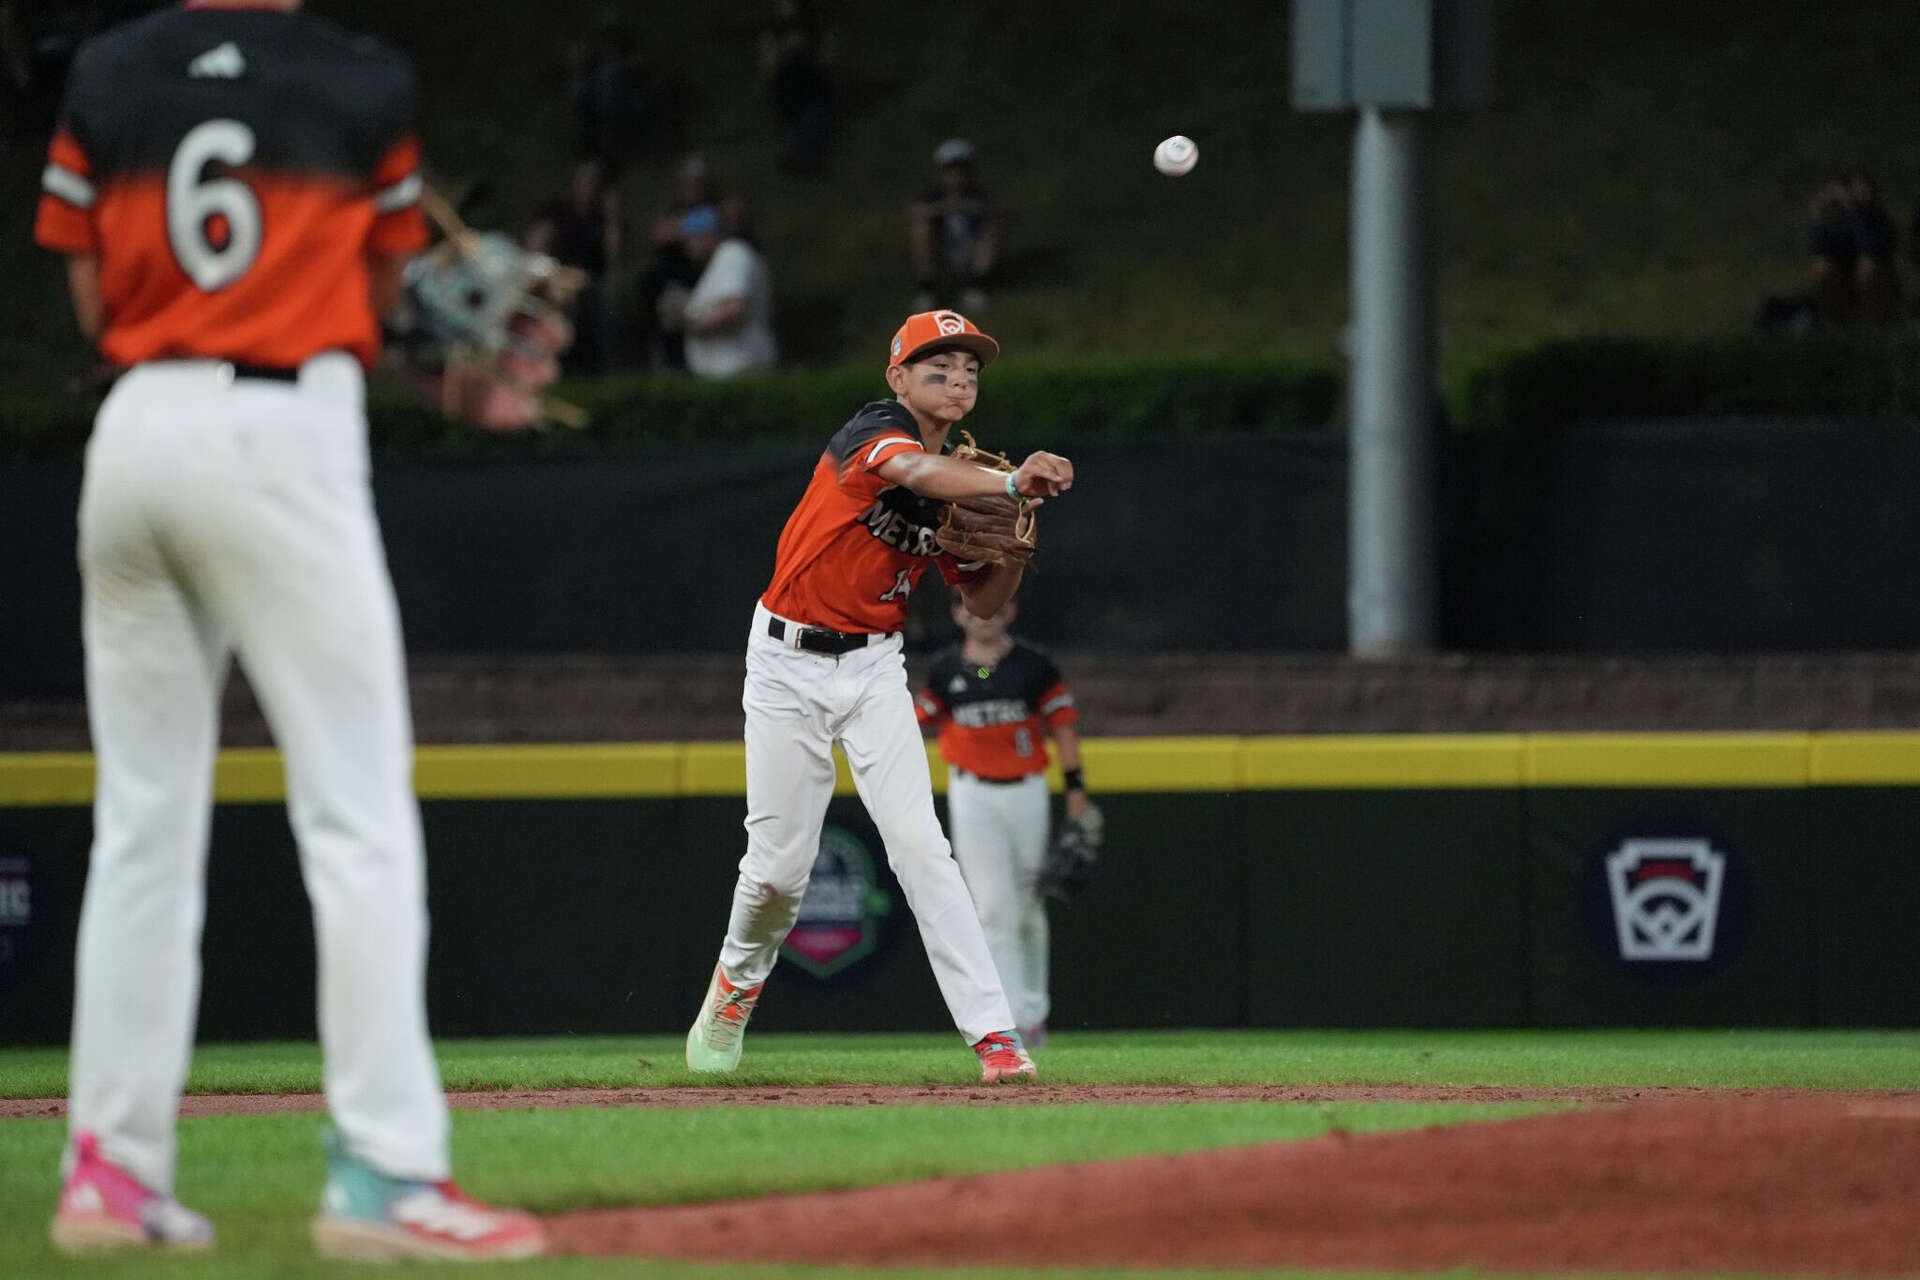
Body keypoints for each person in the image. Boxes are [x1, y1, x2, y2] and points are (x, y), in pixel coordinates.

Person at [33, 0, 543, 1260]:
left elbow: (94, 296)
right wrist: (447, 374)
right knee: (358, 815)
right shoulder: (356, 77)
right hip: (282, 436)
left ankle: (109, 1169)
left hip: (134, 437)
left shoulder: (106, 68)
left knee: (141, 827)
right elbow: (370, 293)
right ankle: (383, 1168)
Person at [685, 309, 1074, 1084]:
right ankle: (733, 987)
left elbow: (987, 604)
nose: (959, 378)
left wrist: (1014, 535)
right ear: (898, 378)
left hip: (873, 668)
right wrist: (1007, 479)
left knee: (924, 849)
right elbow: (916, 474)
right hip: (786, 661)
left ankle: (996, 1037)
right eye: (939, 366)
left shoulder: (966, 484)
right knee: (776, 874)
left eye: (969, 369)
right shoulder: (874, 430)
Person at [915, 596, 1094, 1048]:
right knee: (993, 909)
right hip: (971, 792)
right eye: (973, 606)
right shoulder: (944, 669)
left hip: (1026, 790)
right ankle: (1007, 1020)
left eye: (994, 605)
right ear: (957, 614)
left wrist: (1076, 794)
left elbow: (1064, 726)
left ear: (1011, 610)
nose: (984, 614)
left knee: (1030, 907)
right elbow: (913, 722)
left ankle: (1032, 1016)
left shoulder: (1033, 666)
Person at [524, 157, 622, 372]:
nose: (587, 186)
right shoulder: (559, 212)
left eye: (592, 182)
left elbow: (612, 255)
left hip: (591, 281)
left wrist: (612, 216)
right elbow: (536, 242)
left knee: (600, 305)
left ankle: (598, 369)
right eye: (583, 180)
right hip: (557, 276)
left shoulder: (601, 219)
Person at [681, 203, 777, 379]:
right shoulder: (725, 258)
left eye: (690, 238)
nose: (687, 246)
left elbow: (735, 310)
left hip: (737, 369)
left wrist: (692, 326)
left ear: (707, 234)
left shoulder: (731, 254)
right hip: (731, 370)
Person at [908, 138, 1004, 313]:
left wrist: (969, 207)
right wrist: (947, 208)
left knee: (992, 228)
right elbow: (916, 213)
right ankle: (928, 290)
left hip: (971, 252)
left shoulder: (980, 196)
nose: (956, 176)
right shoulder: (932, 197)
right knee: (920, 229)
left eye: (961, 170)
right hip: (944, 254)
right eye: (950, 171)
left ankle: (976, 287)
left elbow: (998, 212)